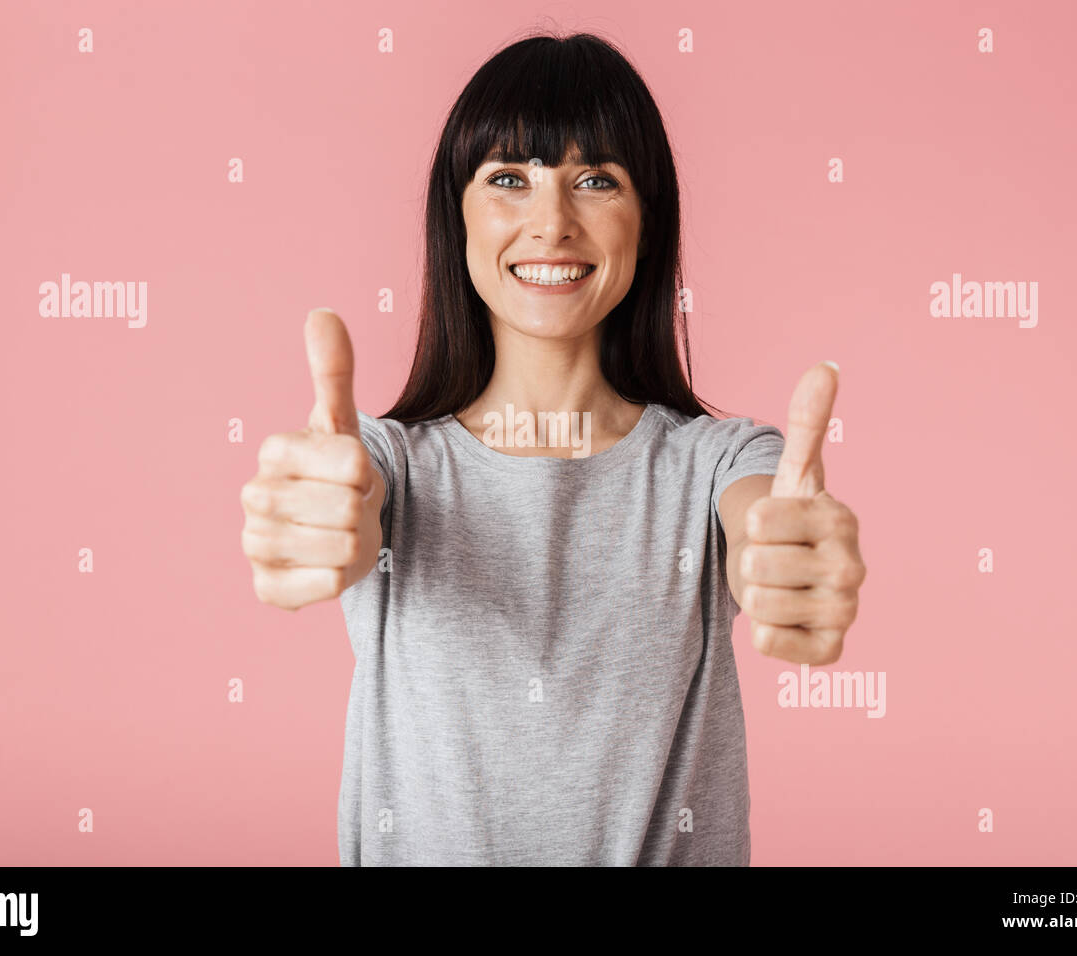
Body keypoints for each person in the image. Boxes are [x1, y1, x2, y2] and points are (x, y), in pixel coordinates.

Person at [240, 32, 865, 865]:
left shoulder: (720, 461)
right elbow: (344, 500)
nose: (552, 222)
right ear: (454, 217)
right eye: (508, 179)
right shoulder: (390, 465)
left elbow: (767, 523)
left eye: (596, 180)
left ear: (648, 223)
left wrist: (789, 557)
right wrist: (311, 519)